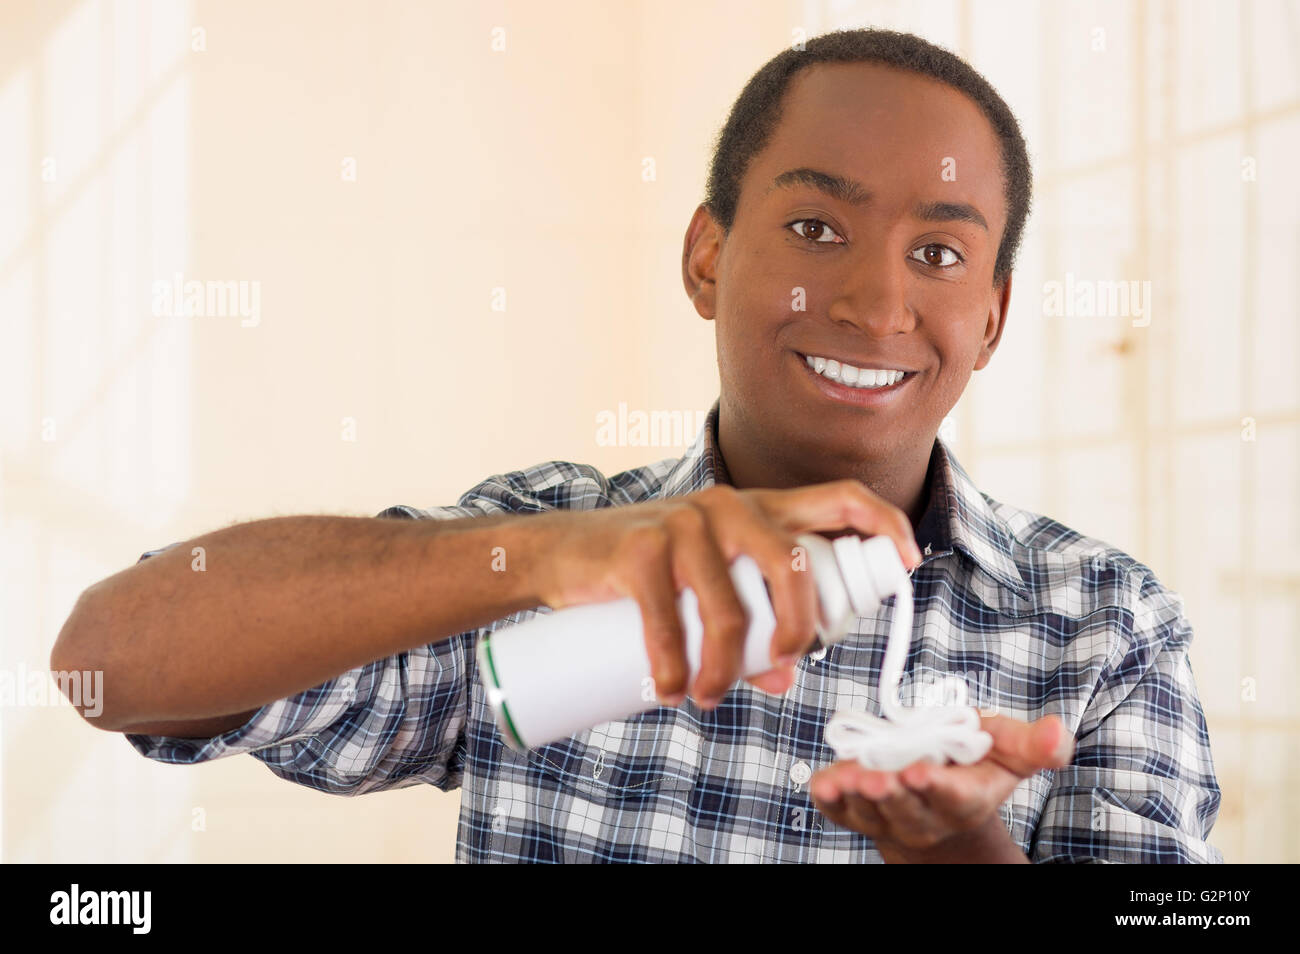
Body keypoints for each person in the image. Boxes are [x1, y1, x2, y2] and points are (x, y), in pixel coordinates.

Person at [53, 28, 1223, 863]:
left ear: (994, 318)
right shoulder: (544, 541)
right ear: (706, 257)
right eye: (815, 227)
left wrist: (958, 845)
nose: (875, 303)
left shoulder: (1104, 630)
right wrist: (546, 556)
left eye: (938, 255)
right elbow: (108, 665)